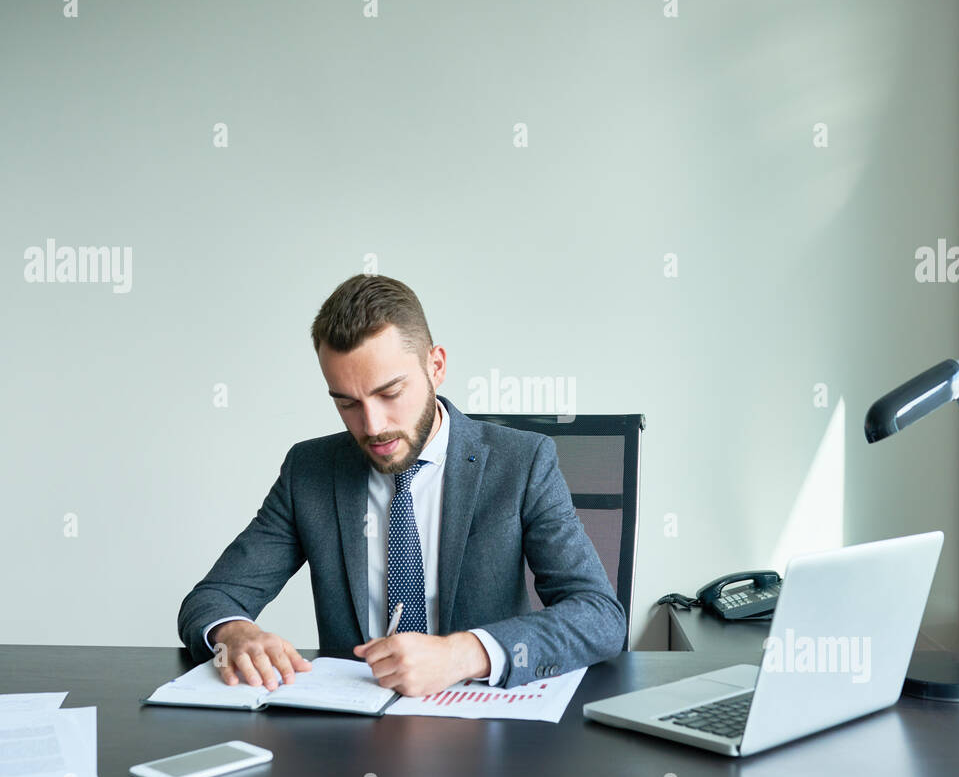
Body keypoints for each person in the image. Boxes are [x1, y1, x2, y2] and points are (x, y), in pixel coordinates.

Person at [176, 274, 626, 696]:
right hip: (352, 730)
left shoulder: (521, 462)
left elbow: (599, 616)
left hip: (482, 727)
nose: (372, 426)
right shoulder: (309, 471)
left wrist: (464, 653)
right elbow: (214, 598)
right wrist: (233, 633)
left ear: (436, 365)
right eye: (348, 403)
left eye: (390, 393)